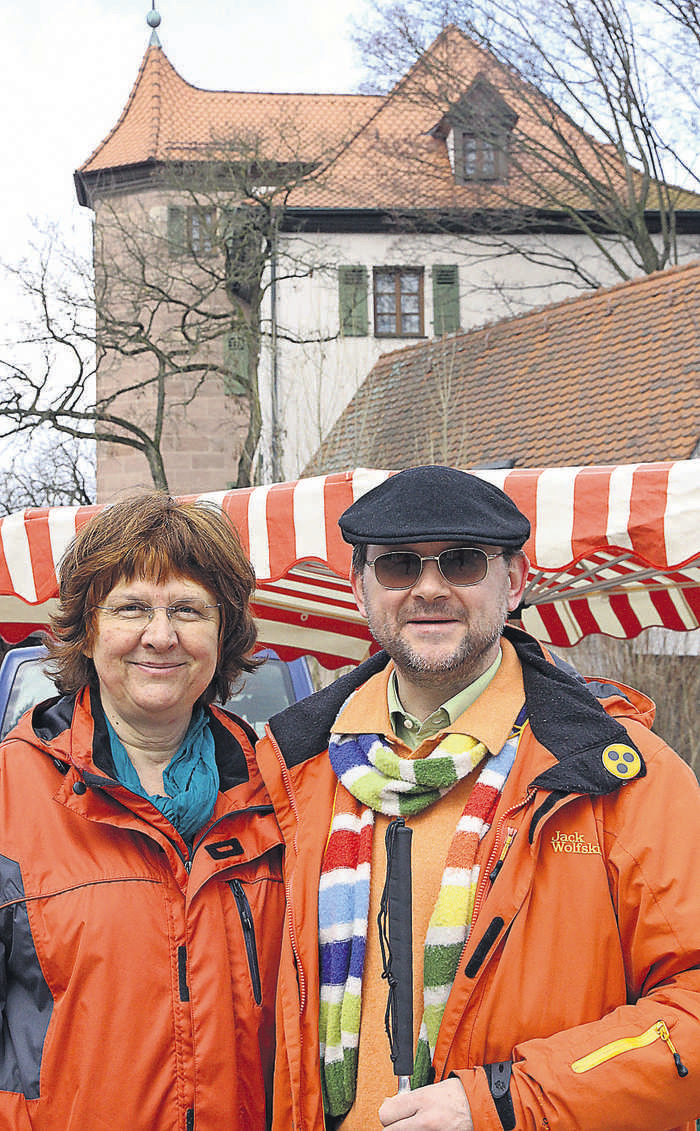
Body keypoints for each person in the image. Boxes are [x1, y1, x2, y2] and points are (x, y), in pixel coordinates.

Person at [255, 465, 700, 1131]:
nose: (429, 588)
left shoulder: (623, 776)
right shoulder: (288, 770)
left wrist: (505, 1102)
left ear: (514, 581)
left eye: (462, 561)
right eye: (399, 565)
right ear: (359, 586)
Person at [0, 492, 283, 1129]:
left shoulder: (281, 794)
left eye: (188, 609)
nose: (160, 636)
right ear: (87, 630)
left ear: (223, 634)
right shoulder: (9, 795)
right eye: (131, 608)